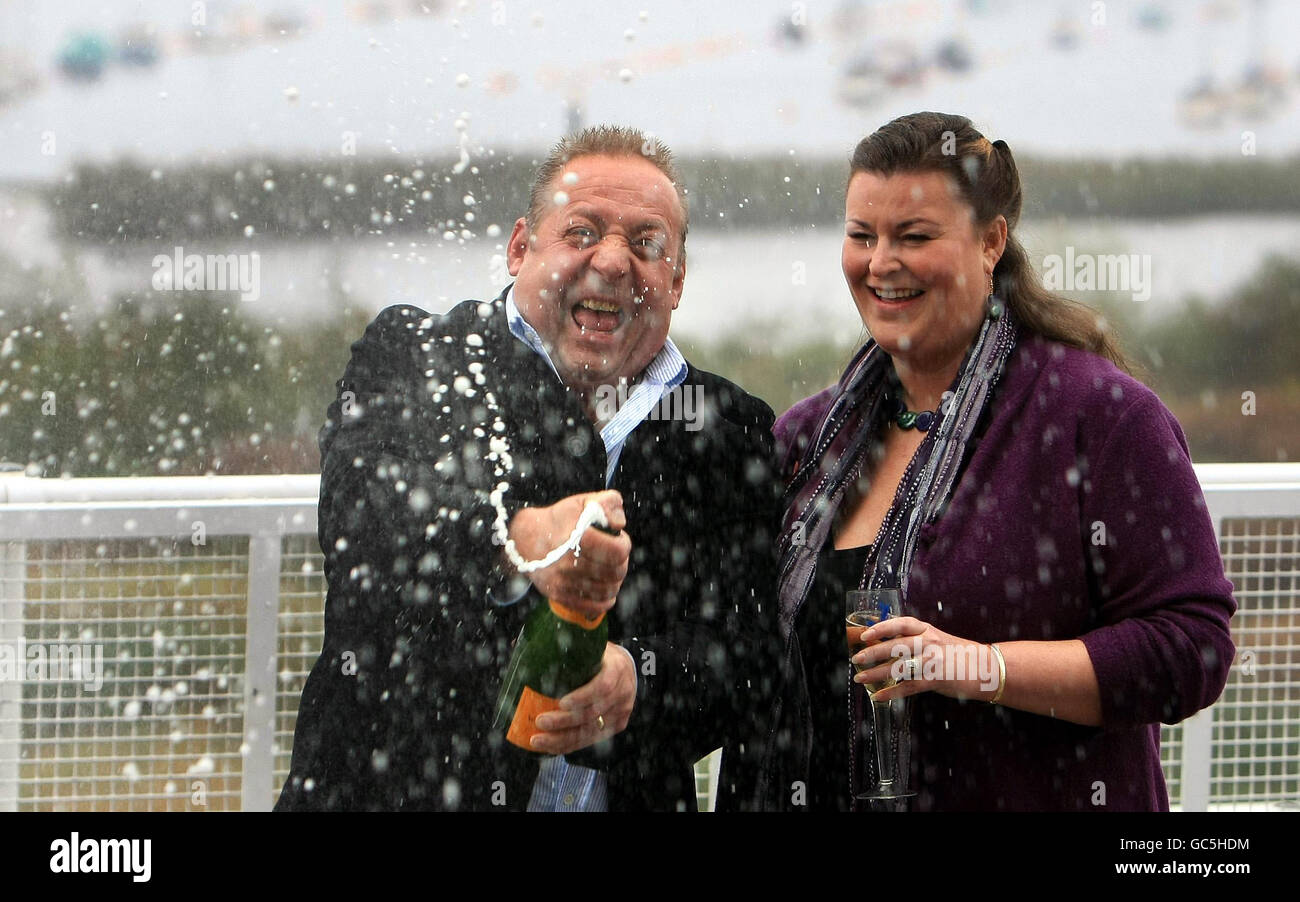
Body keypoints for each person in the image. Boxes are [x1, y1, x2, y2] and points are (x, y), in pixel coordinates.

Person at [276, 125, 782, 812]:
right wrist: (518, 542)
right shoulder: (419, 356)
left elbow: (751, 648)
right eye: (581, 232)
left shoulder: (726, 426)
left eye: (646, 244)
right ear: (520, 247)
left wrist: (643, 683)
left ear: (678, 279)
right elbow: (366, 522)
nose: (612, 261)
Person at [762, 112, 1236, 811]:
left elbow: (1190, 649)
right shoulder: (809, 438)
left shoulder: (1100, 418)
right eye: (862, 235)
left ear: (991, 242)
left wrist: (980, 667)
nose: (881, 262)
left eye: (914, 236)